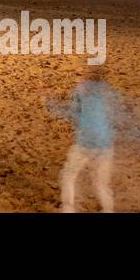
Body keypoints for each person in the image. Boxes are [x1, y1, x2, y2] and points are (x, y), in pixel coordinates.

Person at [49, 65, 119, 212]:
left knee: (68, 175)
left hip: (86, 142)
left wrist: (50, 105)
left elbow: (72, 113)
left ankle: (68, 209)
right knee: (101, 184)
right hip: (105, 144)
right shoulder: (109, 91)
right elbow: (115, 116)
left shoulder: (81, 89)